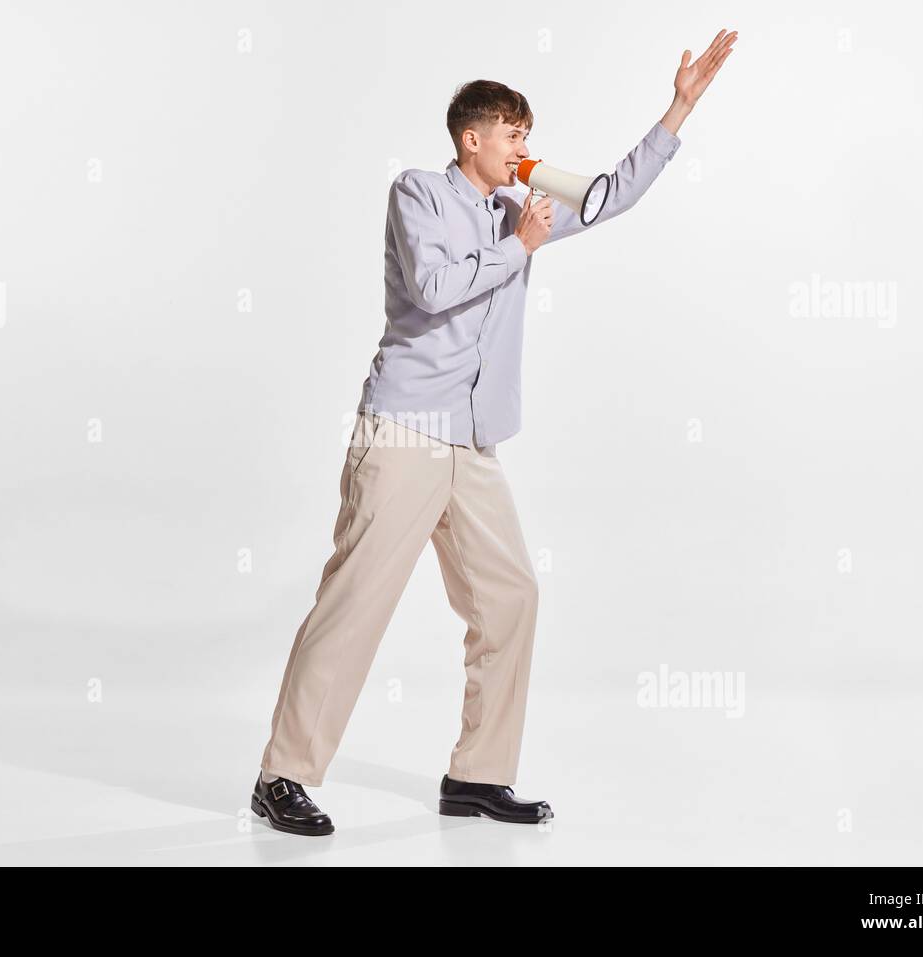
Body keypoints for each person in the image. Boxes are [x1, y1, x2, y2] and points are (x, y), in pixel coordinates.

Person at [252, 30, 738, 836]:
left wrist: (679, 107)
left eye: (527, 134)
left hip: (472, 442)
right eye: (513, 133)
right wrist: (519, 248)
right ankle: (283, 775)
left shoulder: (521, 204)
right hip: (404, 432)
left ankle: (476, 776)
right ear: (471, 139)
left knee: (511, 596)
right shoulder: (418, 192)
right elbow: (435, 287)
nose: (524, 146)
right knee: (355, 604)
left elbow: (606, 195)